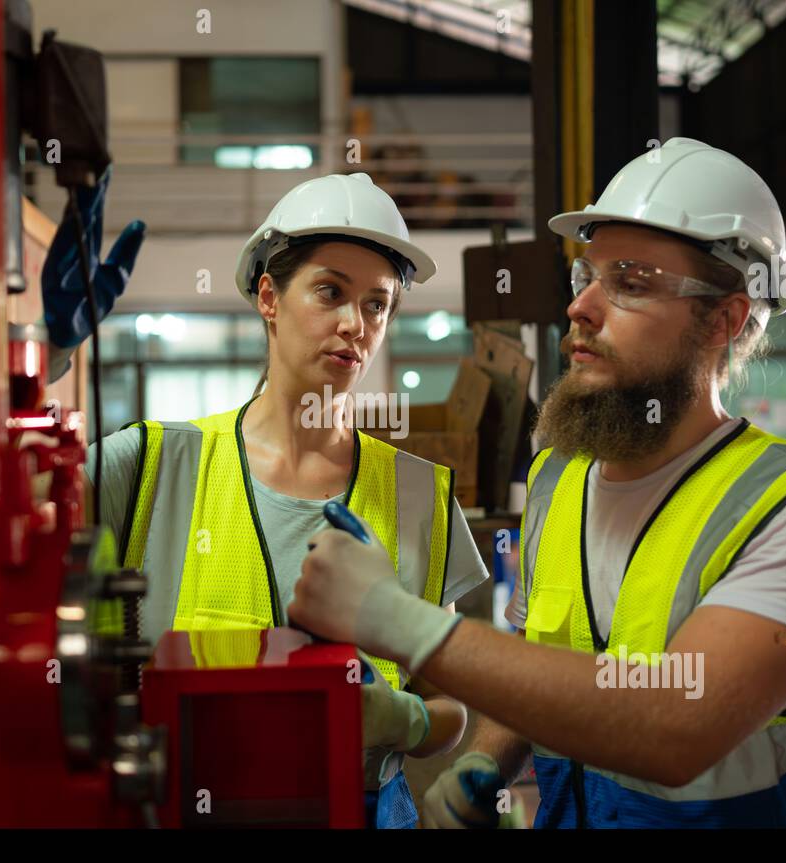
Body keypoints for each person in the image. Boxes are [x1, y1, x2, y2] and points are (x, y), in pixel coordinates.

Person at [287, 138, 786, 829]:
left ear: (724, 321)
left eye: (631, 284)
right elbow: (542, 665)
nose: (581, 307)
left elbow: (675, 730)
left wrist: (395, 619)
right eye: (588, 277)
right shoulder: (559, 477)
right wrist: (487, 759)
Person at [81, 172, 490, 829]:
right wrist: (45, 350)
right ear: (269, 297)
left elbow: (450, 711)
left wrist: (402, 718)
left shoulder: (417, 493)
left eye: (378, 304)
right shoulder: (151, 464)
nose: (355, 324)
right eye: (330, 291)